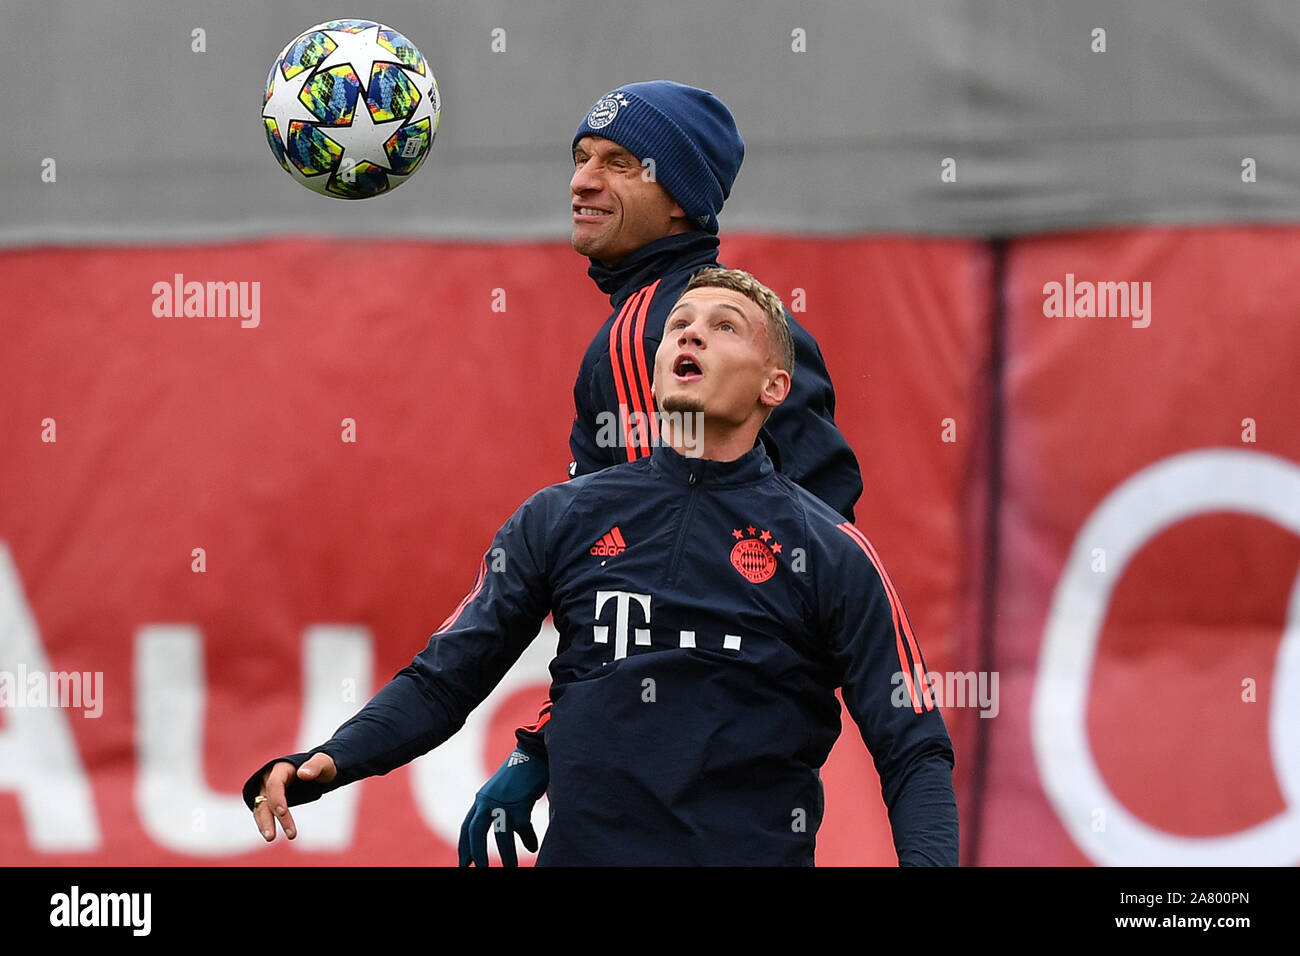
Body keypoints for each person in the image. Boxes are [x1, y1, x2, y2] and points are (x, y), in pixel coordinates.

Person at [244, 268, 957, 866]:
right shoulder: (562, 518)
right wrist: (331, 761)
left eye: (724, 326)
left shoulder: (829, 550)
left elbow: (914, 748)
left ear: (774, 387)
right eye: (680, 323)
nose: (691, 333)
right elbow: (445, 677)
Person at [458, 81, 866, 863]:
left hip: (688, 759)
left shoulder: (675, 333)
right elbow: (620, 586)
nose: (581, 181)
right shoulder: (657, 333)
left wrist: (551, 742)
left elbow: (820, 535)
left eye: (618, 163)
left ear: (680, 199)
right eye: (580, 159)